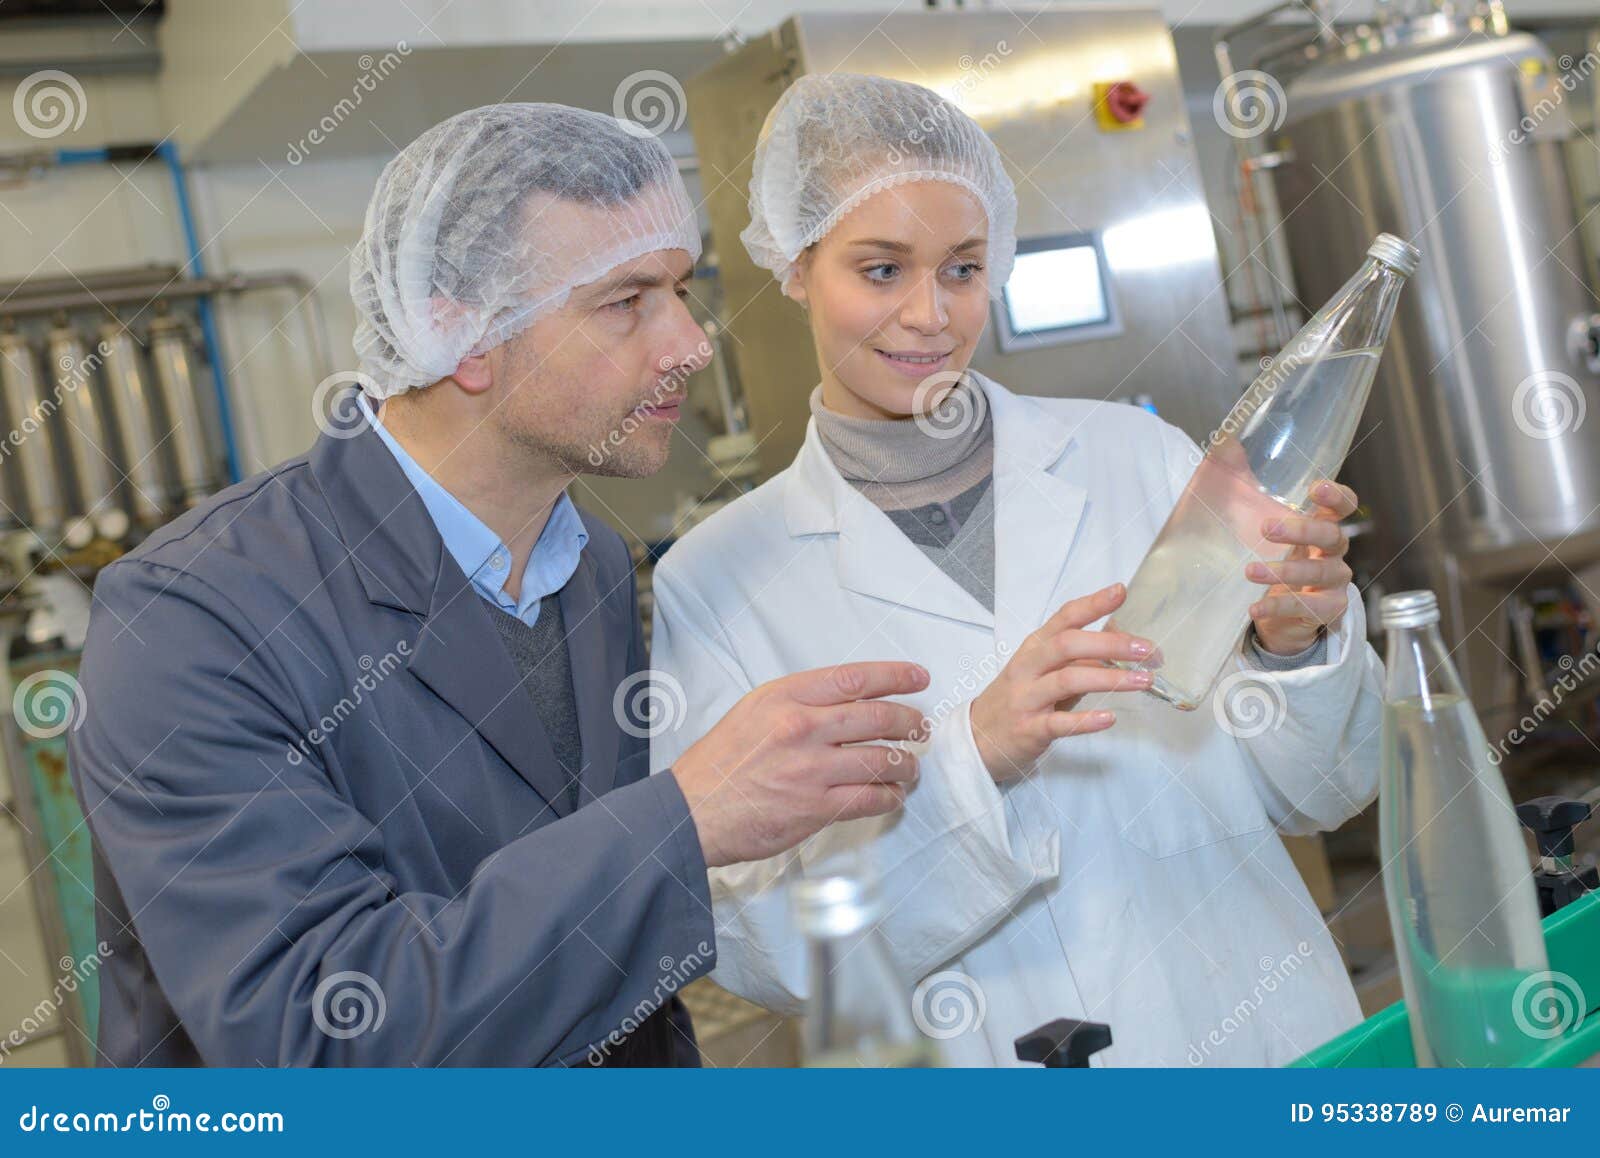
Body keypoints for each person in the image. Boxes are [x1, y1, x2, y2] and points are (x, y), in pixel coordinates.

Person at [68, 103, 931, 1067]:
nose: (689, 341)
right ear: (462, 334)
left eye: (682, 290)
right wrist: (688, 816)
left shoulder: (590, 566)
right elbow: (322, 1036)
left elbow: (608, 975)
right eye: (626, 302)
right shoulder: (197, 617)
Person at [648, 73, 1384, 1067]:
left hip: (1263, 1046)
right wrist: (972, 759)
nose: (929, 315)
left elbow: (1326, 793)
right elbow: (755, 946)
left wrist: (1291, 651)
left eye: (961, 269)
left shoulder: (1142, 461)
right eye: (878, 270)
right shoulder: (721, 583)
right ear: (793, 266)